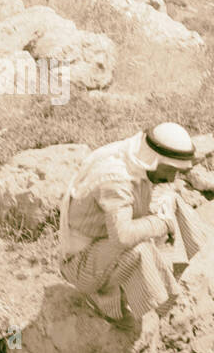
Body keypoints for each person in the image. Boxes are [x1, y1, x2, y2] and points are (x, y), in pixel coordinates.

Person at [58, 122, 205, 323]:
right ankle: (107, 300)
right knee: (139, 249)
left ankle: (167, 276)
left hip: (103, 242)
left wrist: (162, 214)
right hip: (80, 263)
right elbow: (123, 237)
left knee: (173, 201)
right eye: (170, 169)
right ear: (154, 160)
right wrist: (160, 223)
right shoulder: (115, 178)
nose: (172, 177)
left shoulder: (135, 157)